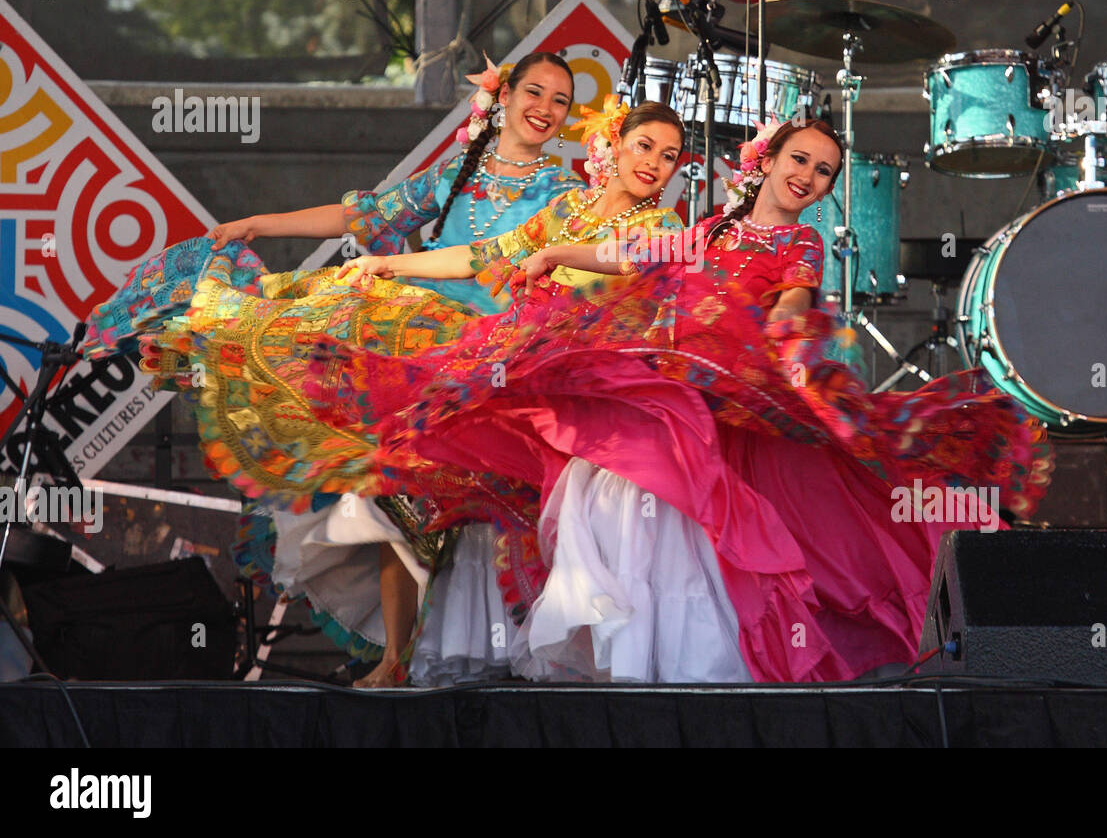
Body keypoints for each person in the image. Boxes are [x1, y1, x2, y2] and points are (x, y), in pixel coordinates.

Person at [268, 119, 1054, 683]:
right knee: (606, 486)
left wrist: (772, 340)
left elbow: (791, 302)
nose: (807, 178)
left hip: (736, 389)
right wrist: (554, 251)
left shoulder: (799, 244)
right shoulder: (707, 230)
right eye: (798, 160)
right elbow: (628, 254)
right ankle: (629, 660)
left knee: (713, 521)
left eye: (822, 172)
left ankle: (689, 667)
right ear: (766, 160)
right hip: (686, 384)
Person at [87, 94, 690, 685]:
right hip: (504, 364)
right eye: (645, 145)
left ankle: (518, 659)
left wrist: (554, 255)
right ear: (612, 145)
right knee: (397, 460)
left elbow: (630, 259)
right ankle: (401, 654)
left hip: (570, 384)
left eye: (669, 157)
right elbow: (479, 256)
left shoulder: (661, 224)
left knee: (468, 492)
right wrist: (387, 266)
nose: (654, 163)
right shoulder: (568, 209)